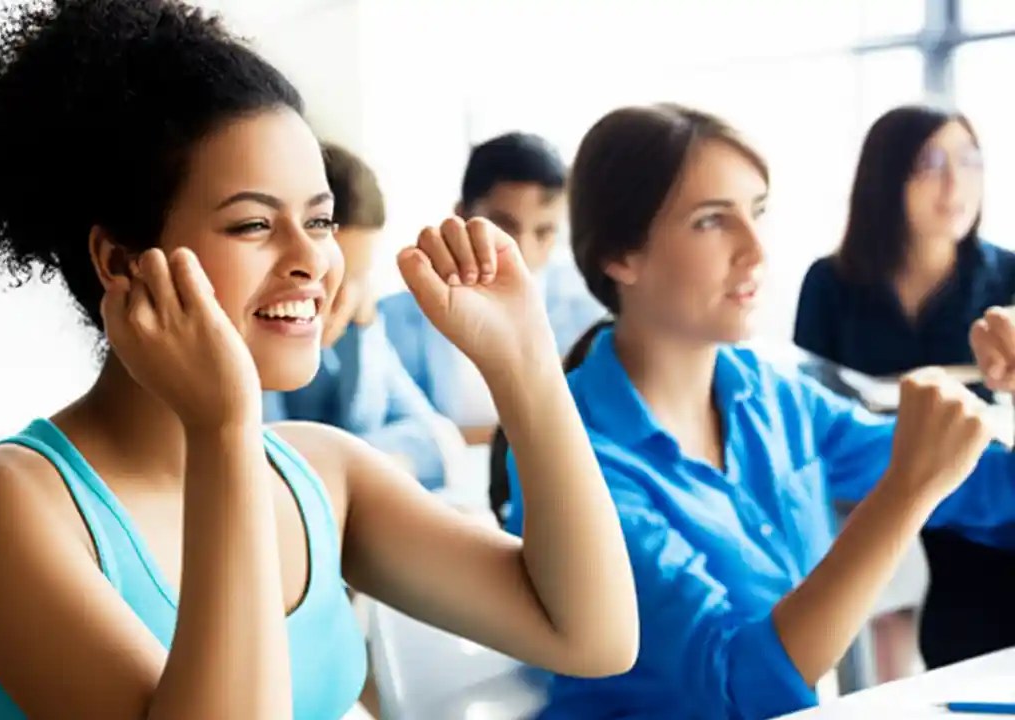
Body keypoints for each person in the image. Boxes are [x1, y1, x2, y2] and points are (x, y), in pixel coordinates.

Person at [0, 3, 638, 719]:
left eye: (320, 220)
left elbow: (593, 637)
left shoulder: (323, 476)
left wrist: (526, 364)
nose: (312, 262)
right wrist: (224, 429)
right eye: (254, 225)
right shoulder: (1, 504)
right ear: (120, 261)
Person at [504, 104, 1015, 720]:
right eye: (712, 221)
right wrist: (905, 493)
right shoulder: (573, 456)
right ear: (620, 256)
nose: (755, 250)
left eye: (759, 212)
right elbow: (741, 688)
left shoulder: (774, 397)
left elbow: (993, 489)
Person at [794, 105, 1015, 670]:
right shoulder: (830, 282)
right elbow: (810, 406)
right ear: (885, 177)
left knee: (967, 622)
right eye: (929, 164)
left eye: (970, 162)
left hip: (984, 495)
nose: (954, 184)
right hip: (871, 487)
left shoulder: (1007, 277)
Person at [381, 132, 606, 445]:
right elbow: (390, 438)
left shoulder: (587, 314)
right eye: (504, 227)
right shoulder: (392, 321)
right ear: (460, 216)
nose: (523, 250)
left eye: (544, 232)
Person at [263, 143, 452, 489]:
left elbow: (440, 444)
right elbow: (271, 462)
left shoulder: (360, 321)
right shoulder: (265, 333)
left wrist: (362, 332)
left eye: (358, 276)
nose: (342, 294)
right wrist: (376, 466)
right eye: (333, 275)